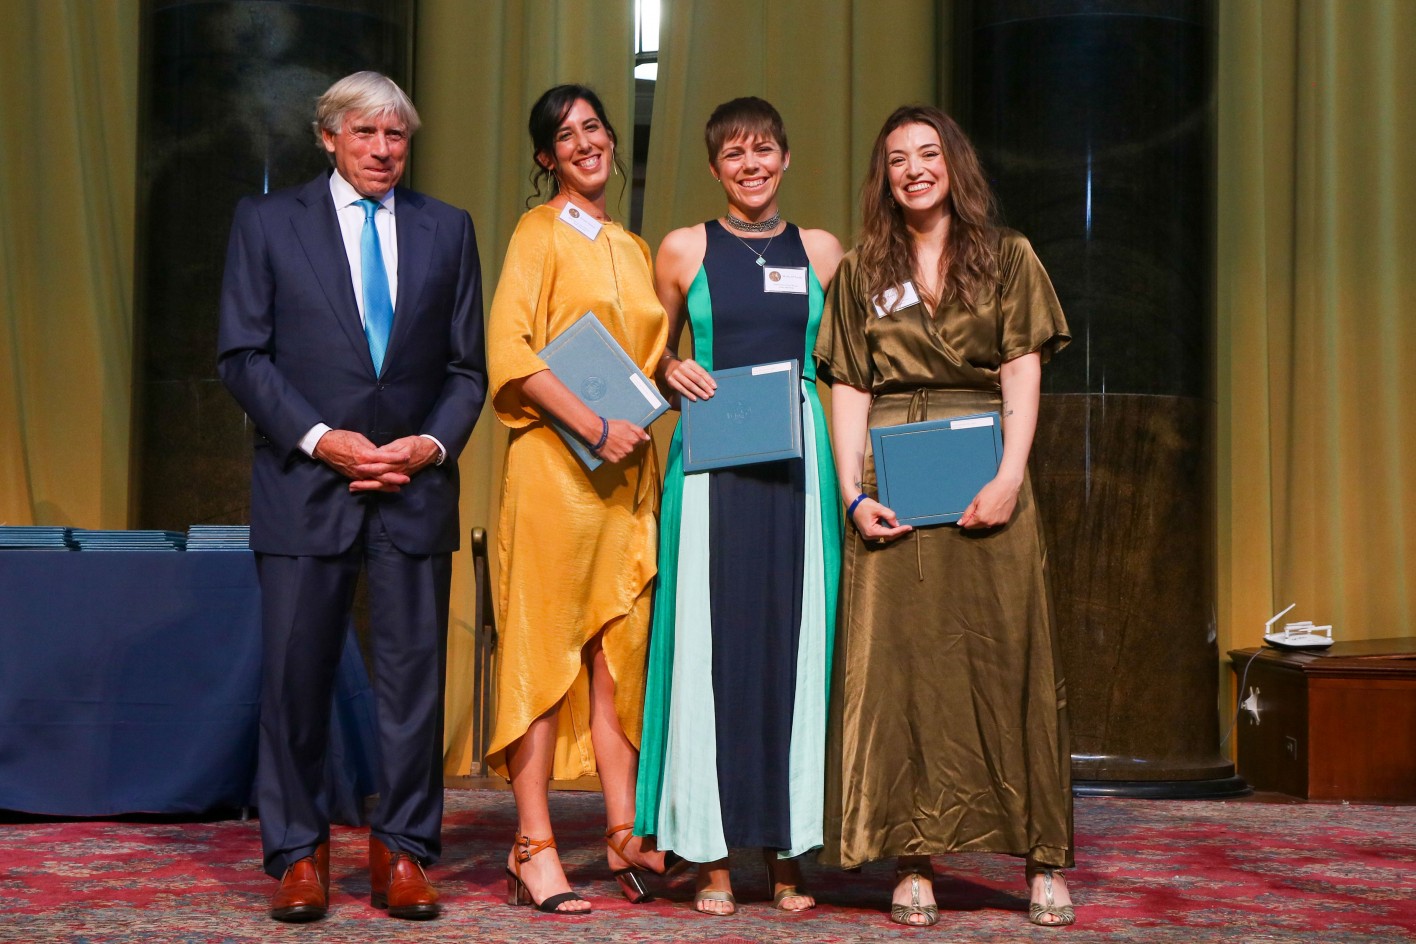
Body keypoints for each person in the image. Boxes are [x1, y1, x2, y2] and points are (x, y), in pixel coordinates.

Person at [217, 71, 486, 922]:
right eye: (365, 134)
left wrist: (431, 443)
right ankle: (299, 856)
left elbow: (466, 368)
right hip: (305, 484)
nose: (382, 150)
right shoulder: (265, 222)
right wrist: (322, 440)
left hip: (412, 485)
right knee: (296, 680)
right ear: (328, 137)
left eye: (396, 136)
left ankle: (402, 853)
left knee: (414, 686)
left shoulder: (449, 229)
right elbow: (243, 355)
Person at [815, 104, 1076, 928]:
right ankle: (912, 856)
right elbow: (848, 384)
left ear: (954, 165)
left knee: (1011, 660)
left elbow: (1023, 370)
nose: (914, 169)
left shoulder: (1009, 257)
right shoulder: (860, 271)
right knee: (899, 673)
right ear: (883, 176)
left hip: (984, 474)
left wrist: (1009, 475)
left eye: (928, 154)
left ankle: (1041, 858)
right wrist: (853, 494)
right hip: (892, 478)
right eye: (898, 159)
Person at [633, 97, 844, 917]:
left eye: (764, 152)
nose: (751, 166)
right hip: (712, 463)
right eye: (734, 155)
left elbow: (849, 360)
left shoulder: (824, 250)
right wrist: (670, 370)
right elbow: (649, 358)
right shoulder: (683, 248)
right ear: (715, 168)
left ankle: (790, 855)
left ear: (786, 159)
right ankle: (712, 857)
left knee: (797, 647)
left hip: (802, 465)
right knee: (708, 651)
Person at [483, 84, 673, 915]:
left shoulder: (632, 246)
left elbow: (650, 359)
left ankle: (624, 830)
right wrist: (594, 424)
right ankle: (533, 844)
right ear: (545, 158)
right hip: (557, 474)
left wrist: (680, 375)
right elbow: (511, 349)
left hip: (628, 478)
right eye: (566, 135)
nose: (586, 142)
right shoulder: (536, 232)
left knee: (615, 655)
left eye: (594, 127)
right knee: (544, 655)